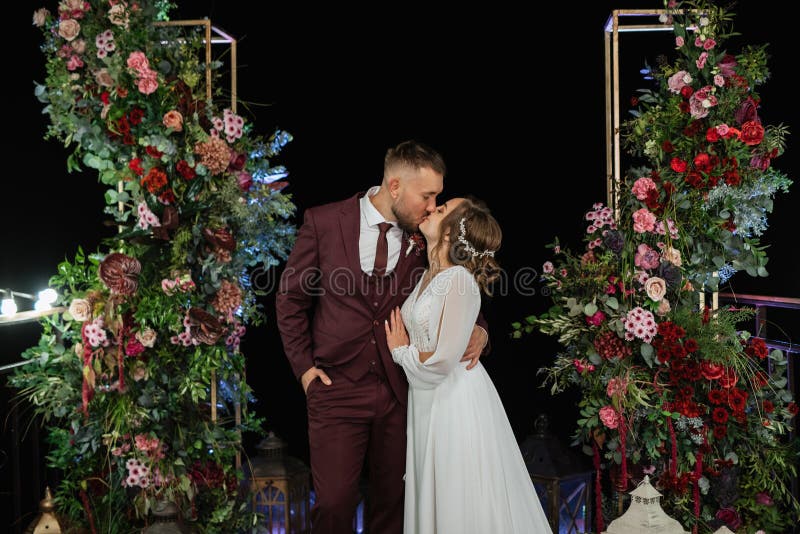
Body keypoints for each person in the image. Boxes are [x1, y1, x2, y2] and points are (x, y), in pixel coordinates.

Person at [275, 140, 490, 534]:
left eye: (437, 197)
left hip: (401, 392)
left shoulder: (426, 236)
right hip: (336, 388)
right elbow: (290, 301)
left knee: (393, 504)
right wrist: (305, 370)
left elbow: (458, 285)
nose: (432, 206)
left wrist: (480, 329)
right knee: (335, 504)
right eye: (427, 195)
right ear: (395, 187)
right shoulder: (324, 222)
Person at [385, 196, 552, 534]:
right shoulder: (430, 277)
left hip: (454, 403)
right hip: (427, 401)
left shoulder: (458, 280)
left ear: (449, 235)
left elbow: (443, 361)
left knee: (457, 497)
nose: (432, 208)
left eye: (442, 209)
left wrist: (400, 351)